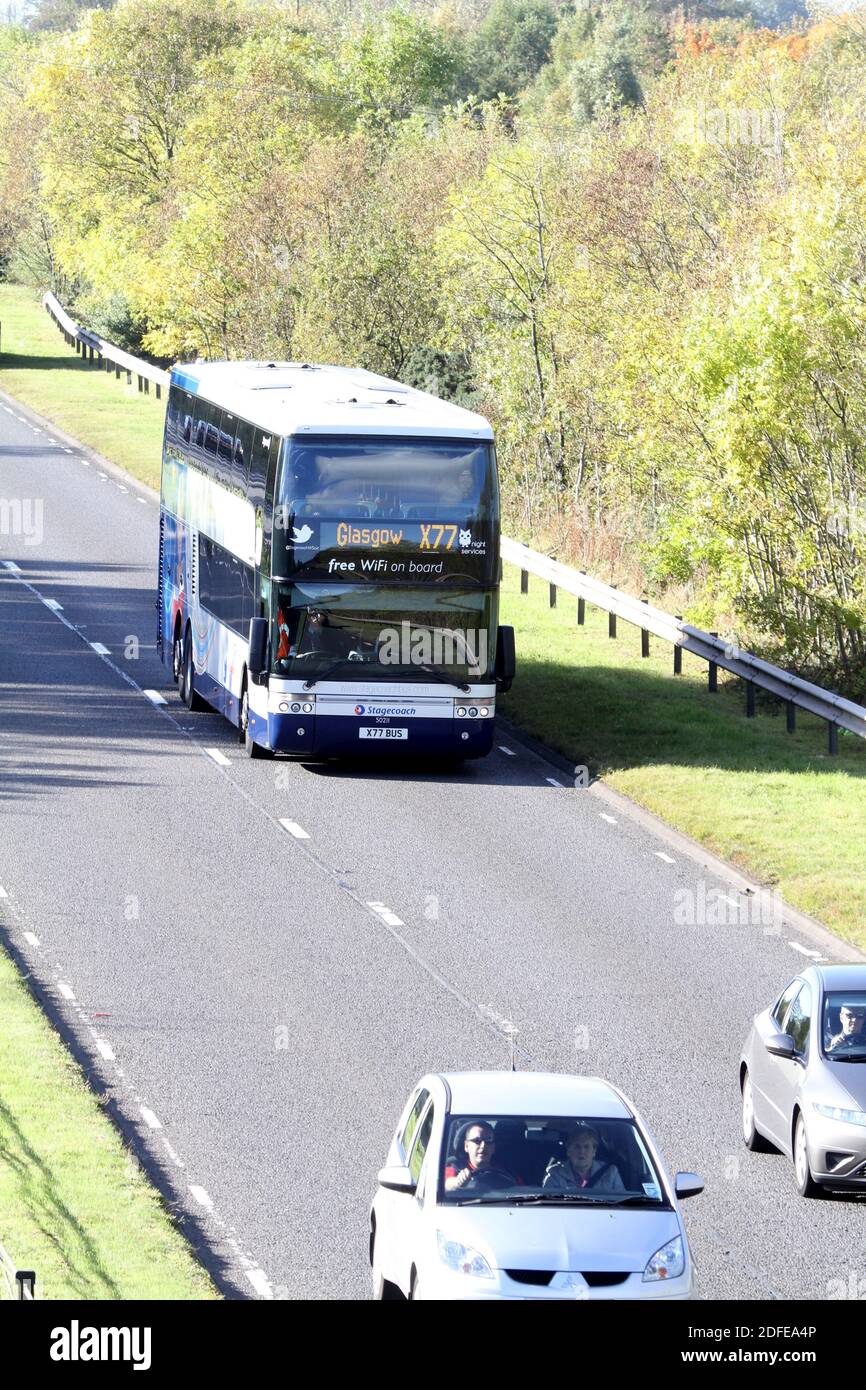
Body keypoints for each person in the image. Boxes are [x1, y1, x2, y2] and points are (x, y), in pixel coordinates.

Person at [543, 1125, 625, 1192]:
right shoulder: (555, 1174)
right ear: (568, 1151)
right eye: (577, 1147)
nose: (582, 1151)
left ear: (594, 1151)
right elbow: (548, 1204)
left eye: (586, 1147)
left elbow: (622, 1204)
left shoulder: (610, 1173)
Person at [444, 1122, 513, 1192]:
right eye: (477, 1141)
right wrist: (457, 1182)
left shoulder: (506, 1170)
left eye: (488, 1140)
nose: (483, 1146)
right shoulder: (455, 1168)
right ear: (466, 1146)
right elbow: (444, 1183)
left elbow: (521, 1191)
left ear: (494, 1147)